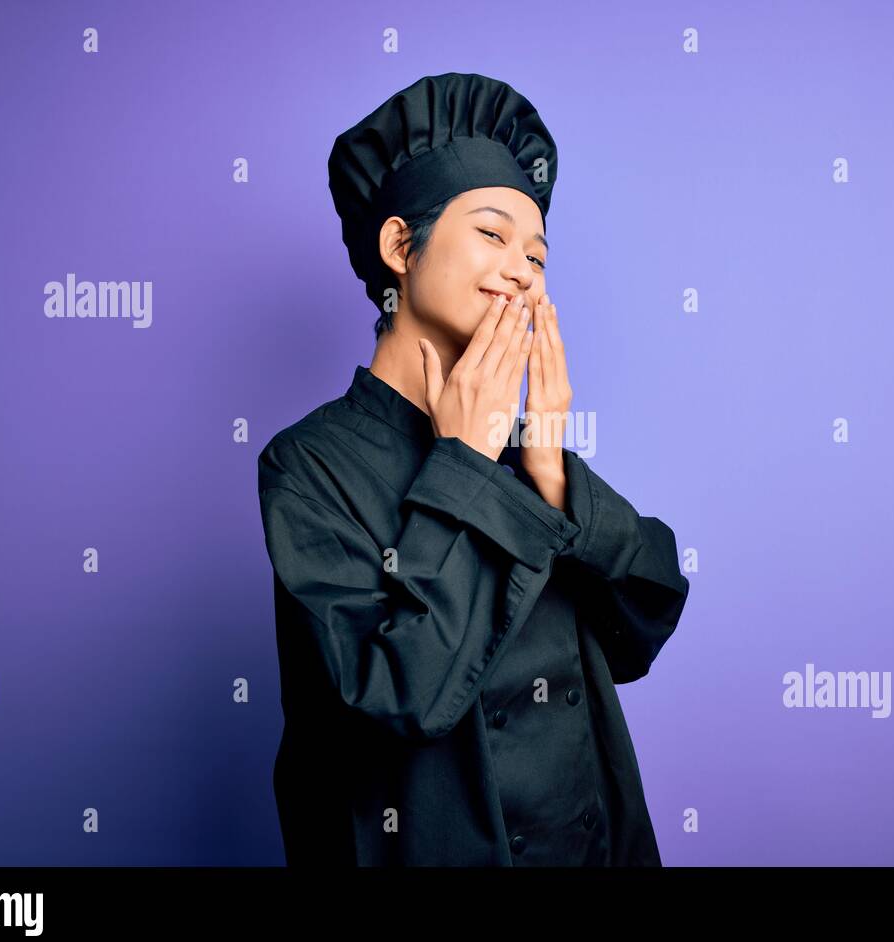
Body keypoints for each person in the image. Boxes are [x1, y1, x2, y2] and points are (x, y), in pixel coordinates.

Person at [257, 72, 690, 866]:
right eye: (492, 234)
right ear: (399, 247)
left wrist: (552, 470)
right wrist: (462, 464)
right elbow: (395, 693)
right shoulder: (306, 464)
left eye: (538, 252)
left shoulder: (533, 453)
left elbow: (644, 625)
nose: (524, 268)